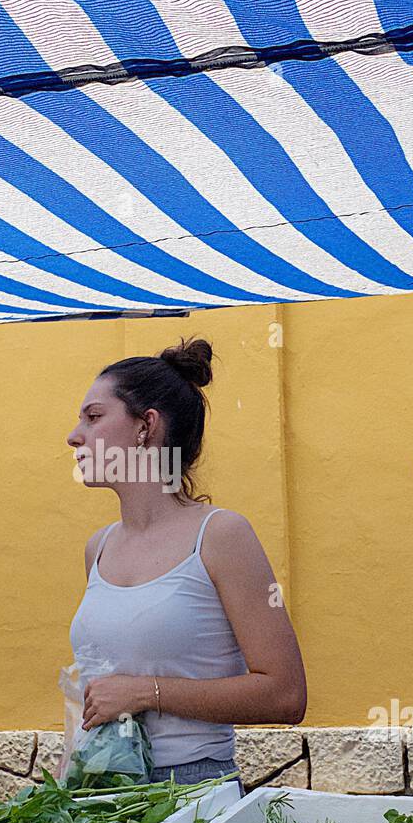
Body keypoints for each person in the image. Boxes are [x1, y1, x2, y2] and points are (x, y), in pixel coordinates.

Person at [66, 336, 308, 790]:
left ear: (146, 426)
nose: (74, 435)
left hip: (191, 793)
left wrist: (144, 693)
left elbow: (286, 694)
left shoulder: (220, 536)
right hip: (102, 791)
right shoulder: (97, 548)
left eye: (94, 417)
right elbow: (99, 697)